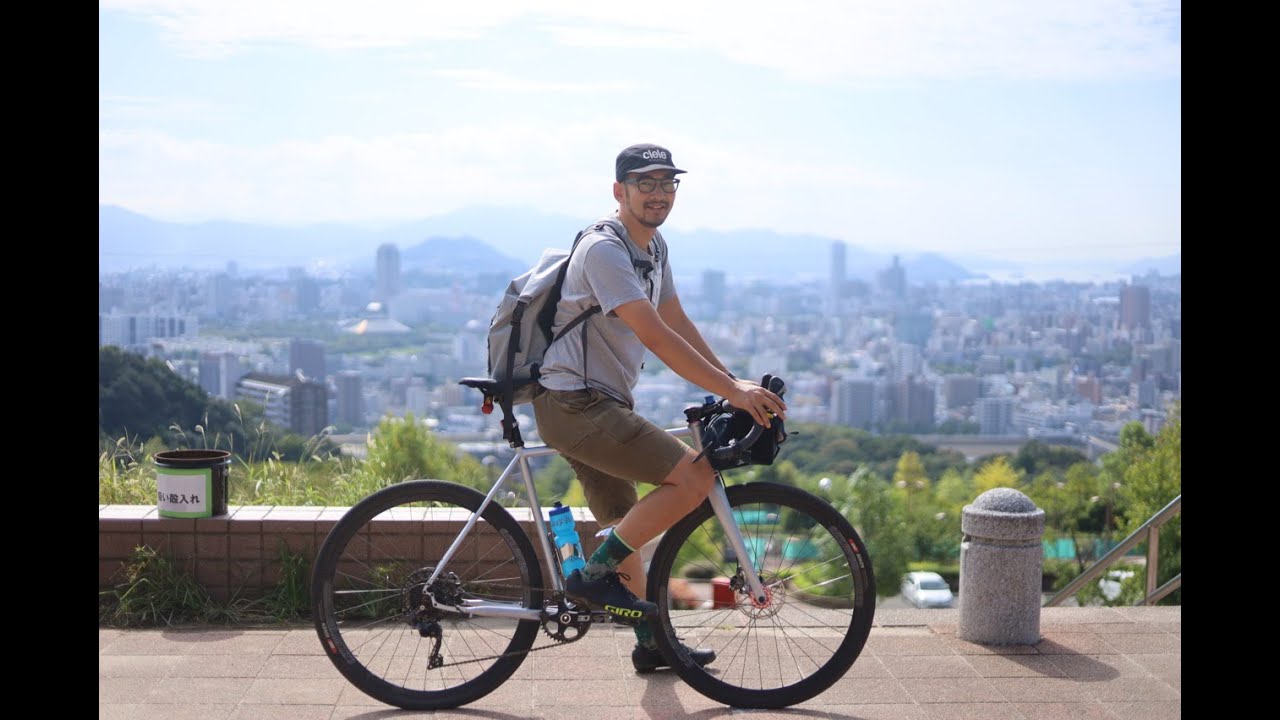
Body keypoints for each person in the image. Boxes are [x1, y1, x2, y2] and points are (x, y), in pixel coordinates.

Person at [532, 143, 787, 673]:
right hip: (575, 404)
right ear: (618, 191)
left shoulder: (653, 247)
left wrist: (730, 383)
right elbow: (653, 336)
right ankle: (594, 575)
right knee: (694, 478)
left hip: (594, 404)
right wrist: (735, 393)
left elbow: (676, 321)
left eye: (667, 183)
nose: (657, 193)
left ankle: (652, 644)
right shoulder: (605, 249)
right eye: (644, 183)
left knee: (627, 526)